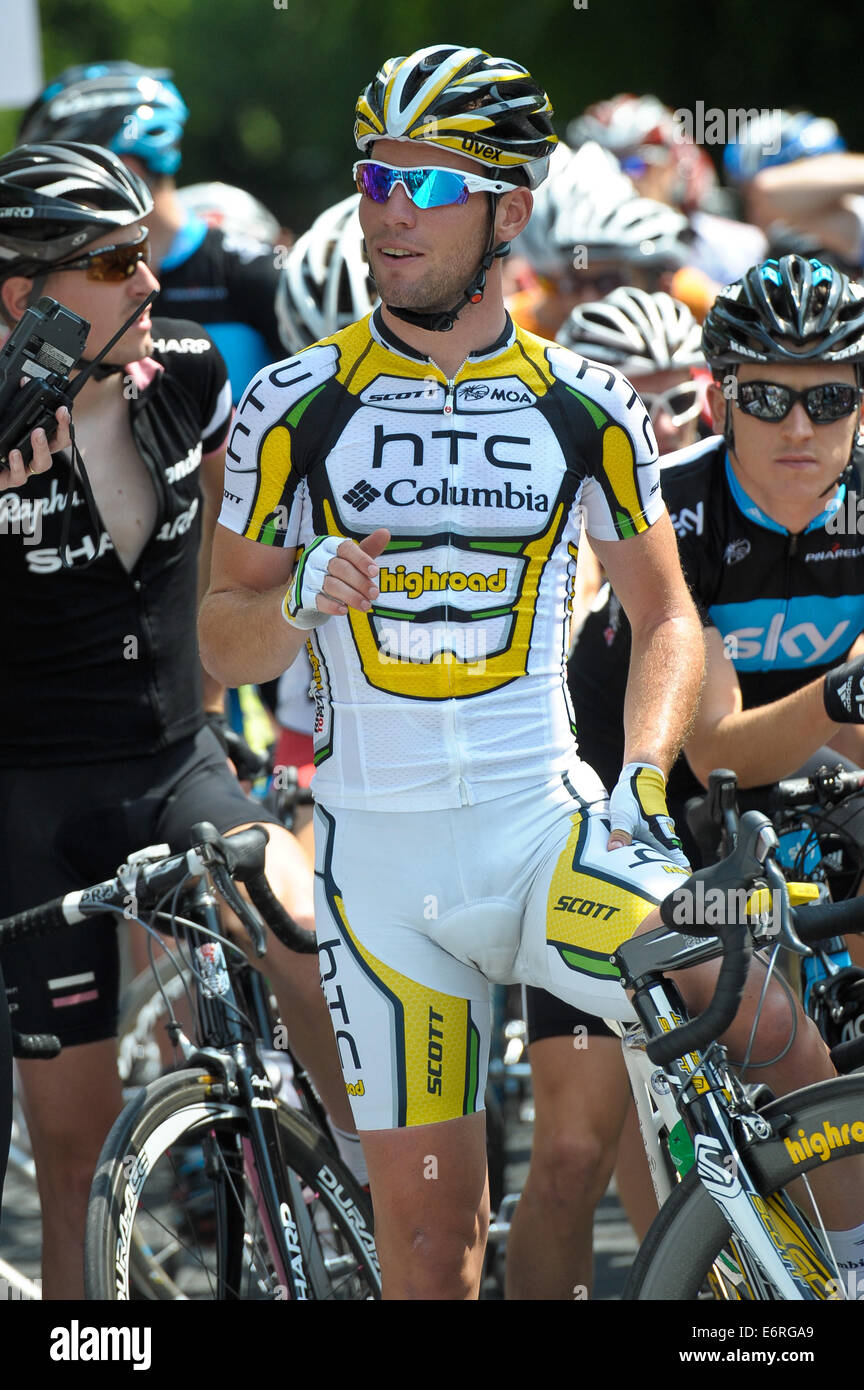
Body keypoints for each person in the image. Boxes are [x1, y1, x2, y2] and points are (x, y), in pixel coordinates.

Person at [199, 44, 854, 1300]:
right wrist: (295, 591)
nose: (391, 210)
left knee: (765, 1012)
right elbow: (223, 634)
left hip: (546, 835)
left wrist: (645, 782)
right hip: (382, 876)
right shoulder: (290, 407)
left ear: (509, 210)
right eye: (377, 177)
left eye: (430, 187)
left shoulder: (589, 406)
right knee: (436, 1251)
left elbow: (666, 619)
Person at [0, 141, 355, 1296]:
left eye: (144, 251)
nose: (149, 282)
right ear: (24, 299)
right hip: (26, 801)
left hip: (174, 757)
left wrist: (225, 709)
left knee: (318, 960)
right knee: (73, 1154)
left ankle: (382, 1207)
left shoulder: (191, 373)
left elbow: (217, 567)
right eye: (112, 263)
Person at [505, 287, 709, 1297]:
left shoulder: (706, 506)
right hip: (572, 864)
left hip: (695, 851)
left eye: (685, 401)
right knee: (578, 1153)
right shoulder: (558, 526)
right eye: (644, 403)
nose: (666, 428)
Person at [17, 61, 289, 404]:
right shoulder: (58, 278)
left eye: (70, 178)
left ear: (127, 164)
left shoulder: (258, 275)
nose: (55, 199)